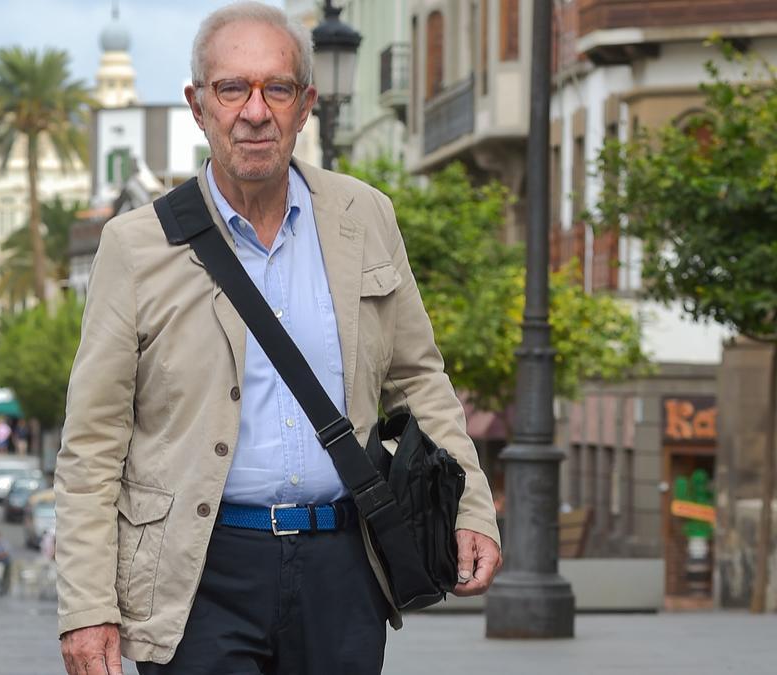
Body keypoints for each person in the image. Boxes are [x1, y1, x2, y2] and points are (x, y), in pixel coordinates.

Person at [55, 4, 502, 673]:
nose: (255, 111)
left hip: (344, 568)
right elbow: (92, 444)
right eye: (232, 88)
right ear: (198, 105)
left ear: (306, 104)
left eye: (278, 88)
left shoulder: (365, 216)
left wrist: (472, 506)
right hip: (198, 573)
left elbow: (419, 379)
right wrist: (88, 605)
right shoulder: (136, 245)